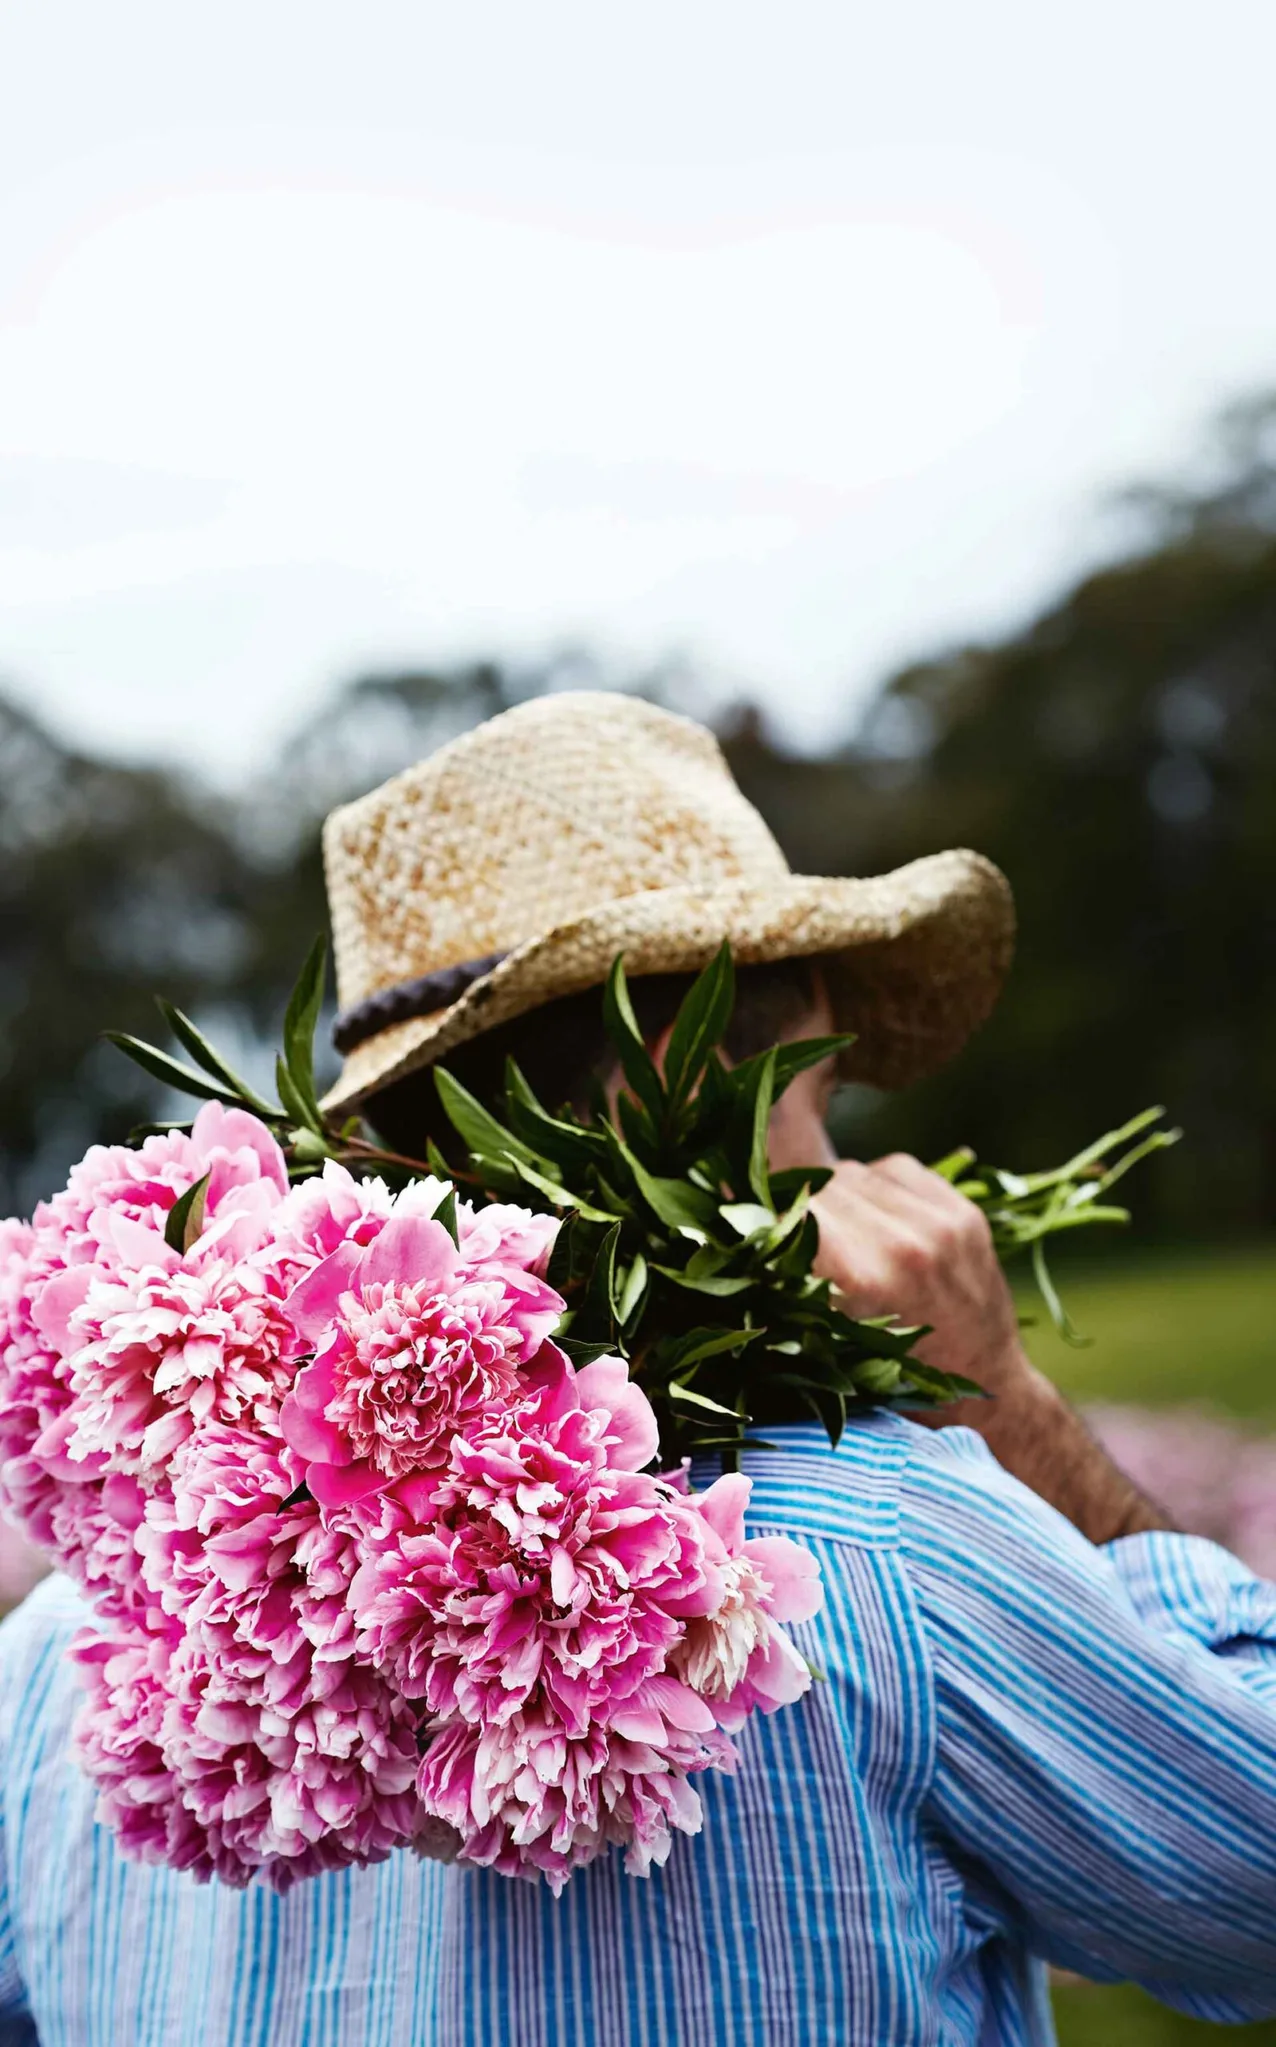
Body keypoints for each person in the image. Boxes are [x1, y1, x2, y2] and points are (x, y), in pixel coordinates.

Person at [1, 691, 1275, 2046]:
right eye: (819, 1102)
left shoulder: (57, 1667)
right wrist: (1005, 1401)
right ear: (687, 1080)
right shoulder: (895, 1549)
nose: (845, 1170)